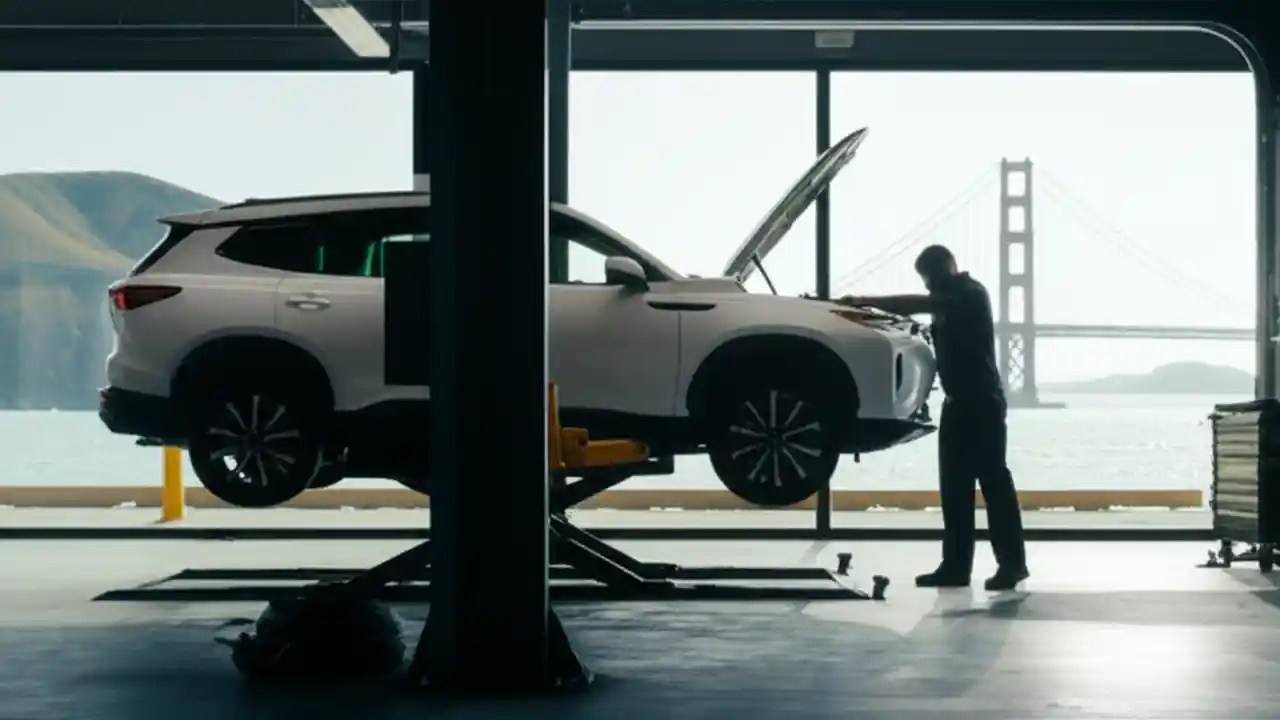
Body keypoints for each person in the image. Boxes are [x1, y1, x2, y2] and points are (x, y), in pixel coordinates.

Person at [839, 245, 1029, 591]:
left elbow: (914, 303)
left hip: (982, 403)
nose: (929, 288)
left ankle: (1012, 565)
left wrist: (862, 300)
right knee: (954, 488)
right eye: (927, 282)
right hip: (958, 403)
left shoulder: (968, 293)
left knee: (993, 482)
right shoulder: (949, 302)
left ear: (946, 270)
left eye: (931, 279)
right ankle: (956, 567)